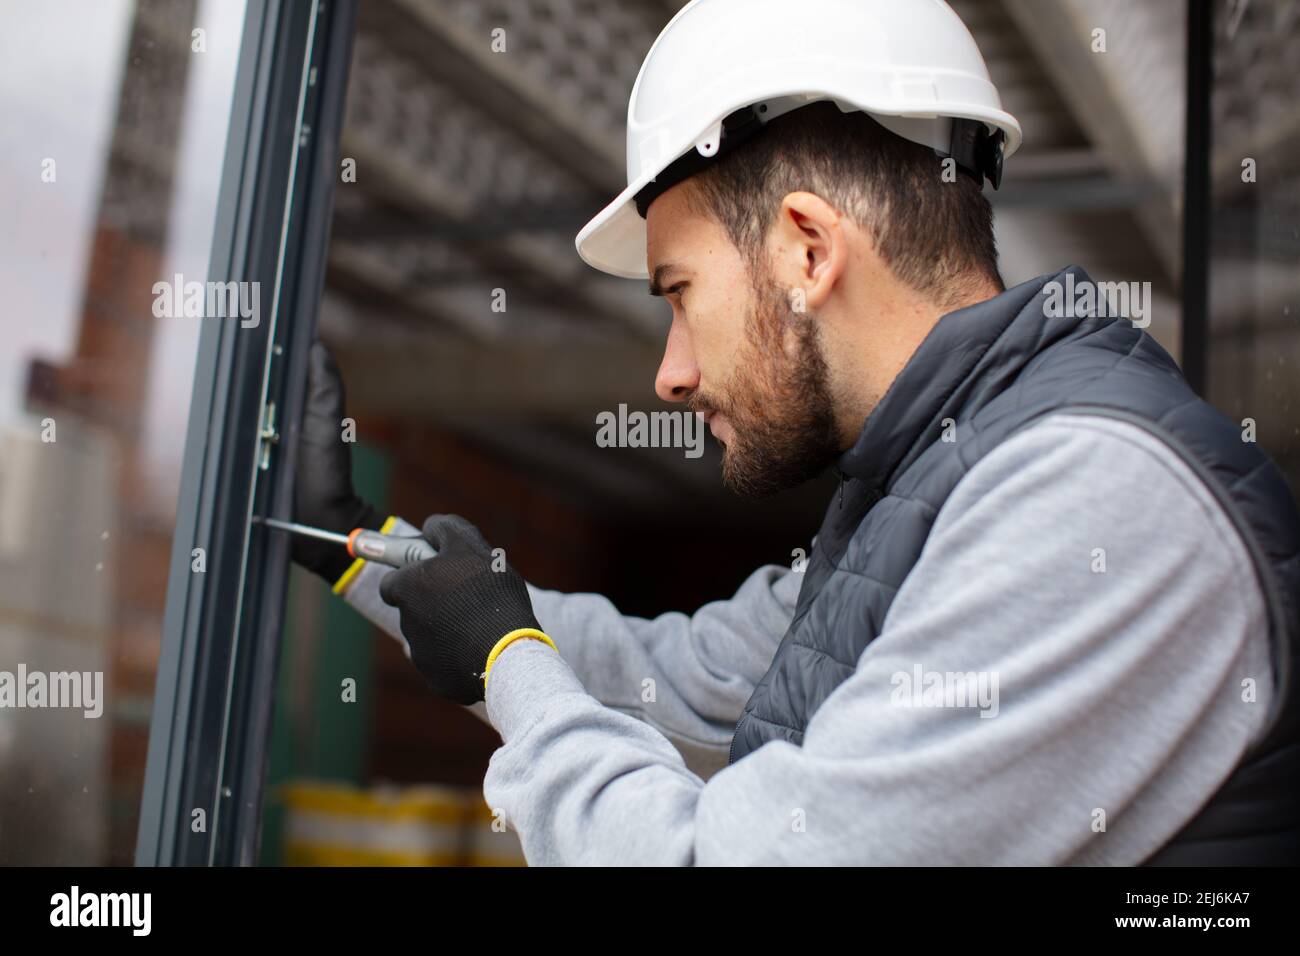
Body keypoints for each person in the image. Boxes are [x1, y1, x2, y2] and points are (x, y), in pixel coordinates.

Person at [292, 0, 1300, 864]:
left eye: (680, 294)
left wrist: (507, 659)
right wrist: (349, 539)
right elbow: (665, 680)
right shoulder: (928, 491)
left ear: (807, 250)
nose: (670, 372)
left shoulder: (1090, 496)